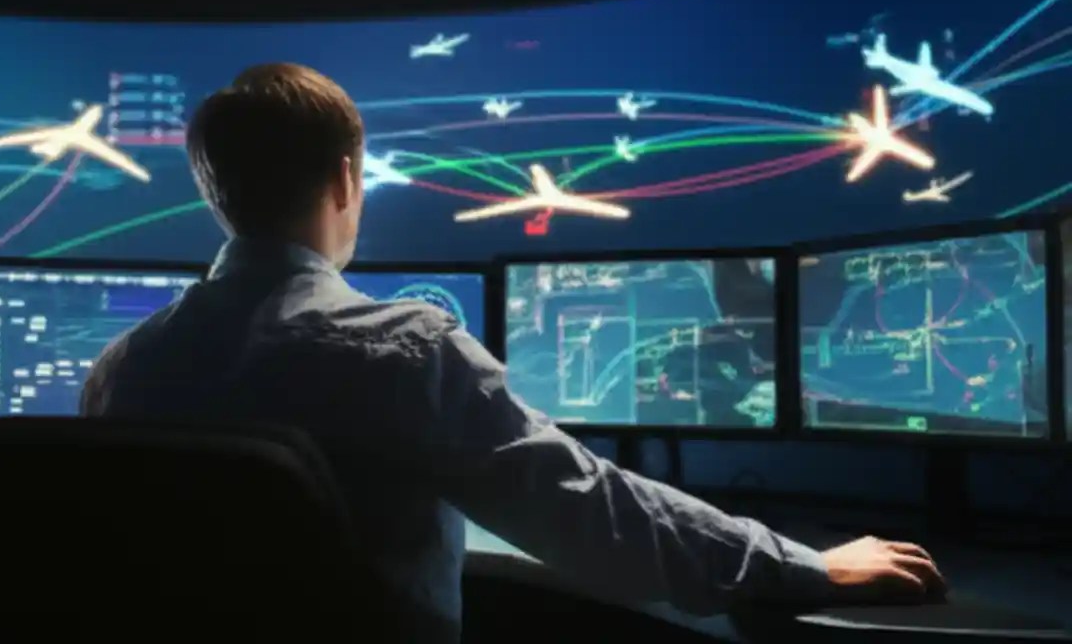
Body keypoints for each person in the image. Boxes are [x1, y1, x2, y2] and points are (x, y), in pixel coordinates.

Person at [81, 63, 944, 635]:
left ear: (214, 195)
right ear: (348, 179)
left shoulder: (120, 372)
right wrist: (804, 565)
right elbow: (593, 513)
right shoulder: (401, 353)